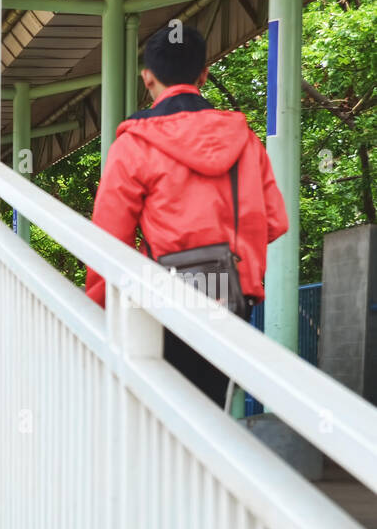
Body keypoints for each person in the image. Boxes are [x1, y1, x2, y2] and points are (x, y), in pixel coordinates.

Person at [85, 22, 287, 405]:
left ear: (148, 79)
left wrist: (99, 311)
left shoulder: (133, 145)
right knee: (211, 414)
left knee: (160, 417)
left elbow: (109, 240)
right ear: (203, 73)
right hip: (231, 297)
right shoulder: (244, 139)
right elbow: (274, 221)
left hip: (164, 298)